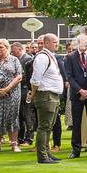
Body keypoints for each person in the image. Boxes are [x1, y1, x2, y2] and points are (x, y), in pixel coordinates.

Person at [29, 34, 66, 164]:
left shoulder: (50, 56)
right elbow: (35, 78)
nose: (57, 44)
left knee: (49, 126)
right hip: (46, 95)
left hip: (52, 95)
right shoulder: (43, 57)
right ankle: (42, 155)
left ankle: (46, 153)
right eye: (55, 42)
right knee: (44, 126)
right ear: (47, 43)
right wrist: (33, 94)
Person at [0, 39, 23, 154]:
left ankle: (14, 144)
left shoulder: (14, 60)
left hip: (12, 94)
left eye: (1, 47)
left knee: (12, 117)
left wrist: (7, 88)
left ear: (7, 48)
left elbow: (19, 76)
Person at [18, 40, 37, 146]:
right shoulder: (16, 59)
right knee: (20, 115)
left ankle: (29, 138)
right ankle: (20, 137)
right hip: (18, 90)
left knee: (28, 115)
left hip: (26, 89)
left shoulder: (28, 59)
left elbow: (29, 76)